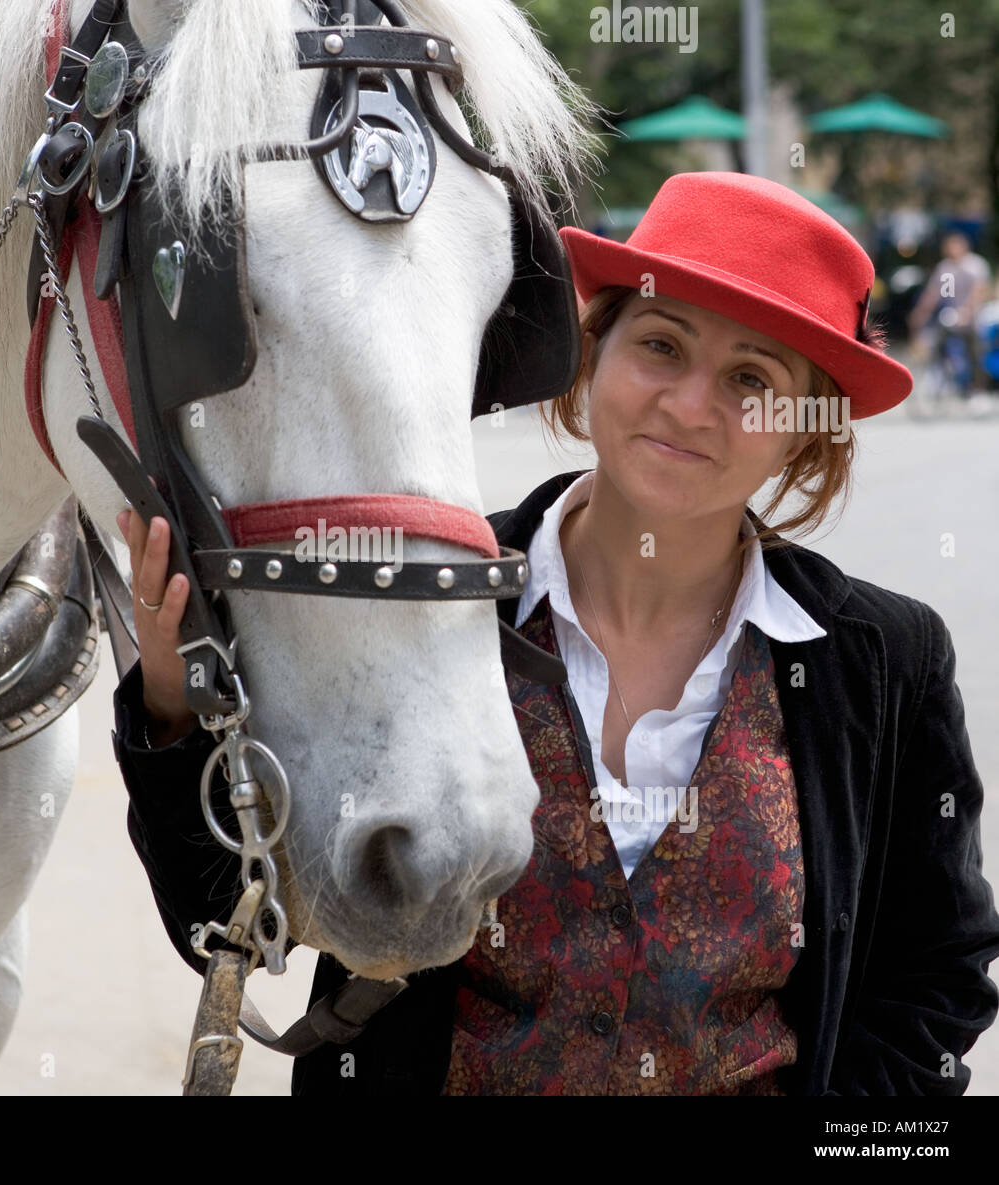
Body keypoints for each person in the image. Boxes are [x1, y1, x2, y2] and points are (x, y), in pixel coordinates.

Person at [111, 171, 999, 1095]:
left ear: (804, 434)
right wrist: (178, 708)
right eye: (661, 344)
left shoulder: (883, 658)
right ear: (593, 353)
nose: (690, 405)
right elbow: (225, 918)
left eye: (751, 378)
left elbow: (936, 970)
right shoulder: (416, 591)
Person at [908, 231, 993, 400]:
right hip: (951, 316)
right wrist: (920, 312)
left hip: (973, 316)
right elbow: (933, 294)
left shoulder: (975, 265)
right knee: (937, 343)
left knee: (975, 350)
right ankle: (940, 379)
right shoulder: (945, 268)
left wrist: (968, 311)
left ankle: (978, 389)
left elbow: (979, 291)